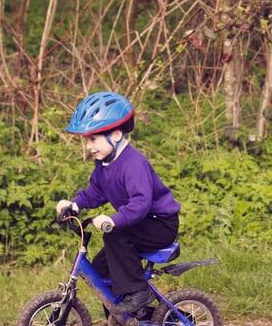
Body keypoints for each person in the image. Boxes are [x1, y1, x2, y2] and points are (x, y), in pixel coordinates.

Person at [55, 91, 181, 314]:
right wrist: (74, 205)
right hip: (140, 223)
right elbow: (95, 192)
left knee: (115, 235)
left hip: (160, 224)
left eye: (93, 139)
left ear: (115, 135)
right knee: (101, 267)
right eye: (87, 141)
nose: (89, 147)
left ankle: (138, 292)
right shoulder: (104, 164)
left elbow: (142, 202)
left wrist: (113, 220)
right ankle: (121, 319)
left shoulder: (133, 164)